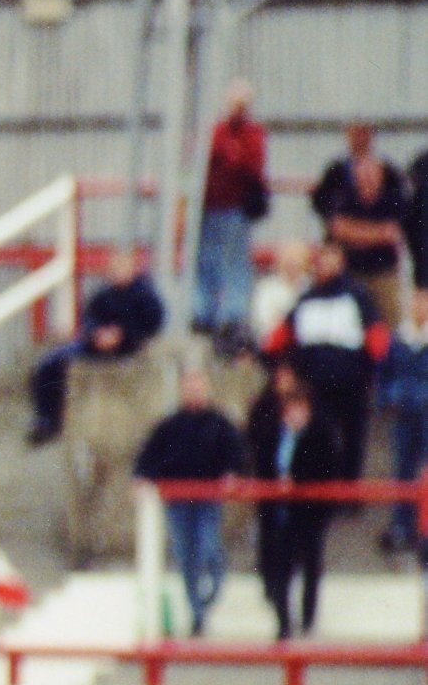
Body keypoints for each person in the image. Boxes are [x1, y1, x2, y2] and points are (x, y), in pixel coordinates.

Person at [134, 366, 244, 636]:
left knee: (208, 548)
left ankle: (209, 595)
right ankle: (197, 612)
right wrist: (143, 478)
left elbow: (237, 458)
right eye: (189, 385)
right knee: (186, 556)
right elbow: (147, 458)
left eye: (198, 385)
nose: (194, 391)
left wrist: (231, 475)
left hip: (208, 500)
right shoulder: (169, 426)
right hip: (178, 502)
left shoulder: (220, 423)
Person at [263, 241, 387, 479]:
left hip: (350, 382)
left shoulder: (357, 295)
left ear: (341, 261)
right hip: (314, 384)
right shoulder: (306, 299)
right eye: (322, 258)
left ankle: (350, 493)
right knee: (317, 436)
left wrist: (374, 371)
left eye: (332, 257)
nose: (326, 263)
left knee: (353, 438)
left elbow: (377, 337)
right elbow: (280, 338)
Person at [248, 361, 348, 642]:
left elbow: (327, 468)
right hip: (278, 514)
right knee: (280, 569)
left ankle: (308, 618)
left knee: (310, 567)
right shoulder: (272, 434)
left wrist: (298, 480)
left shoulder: (320, 435)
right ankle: (283, 623)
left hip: (309, 514)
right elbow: (262, 463)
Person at [27, 246, 165, 446]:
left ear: (132, 268)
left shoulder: (145, 295)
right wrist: (96, 334)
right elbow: (89, 320)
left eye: (122, 266)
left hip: (129, 348)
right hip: (96, 345)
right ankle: (48, 420)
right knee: (49, 364)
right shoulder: (103, 294)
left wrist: (122, 335)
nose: (116, 270)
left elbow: (152, 324)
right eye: (113, 266)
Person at [310, 124, 407, 329]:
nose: (368, 183)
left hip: (383, 270)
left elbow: (392, 232)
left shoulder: (391, 177)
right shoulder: (336, 175)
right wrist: (374, 233)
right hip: (348, 270)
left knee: (389, 325)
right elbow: (336, 226)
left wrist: (354, 232)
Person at [195, 82, 271, 340]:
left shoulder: (253, 133)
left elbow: (249, 165)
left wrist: (226, 159)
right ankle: (203, 313)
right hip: (210, 207)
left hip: (236, 209)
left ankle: (233, 316)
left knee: (235, 263)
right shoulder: (216, 131)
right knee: (206, 261)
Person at [385, 288, 428, 553]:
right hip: (404, 415)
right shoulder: (398, 339)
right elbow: (384, 375)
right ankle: (401, 526)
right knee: (403, 469)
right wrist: (391, 397)